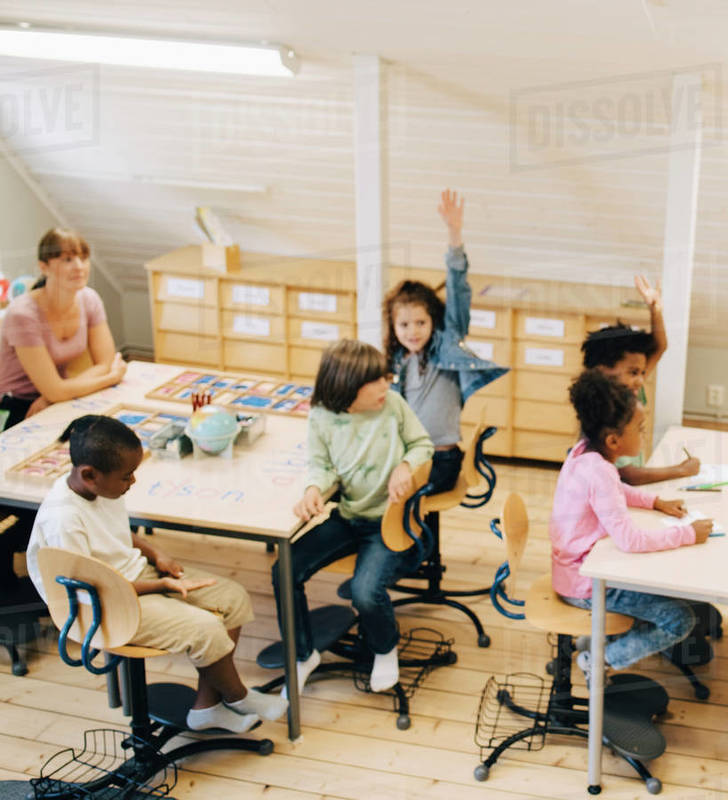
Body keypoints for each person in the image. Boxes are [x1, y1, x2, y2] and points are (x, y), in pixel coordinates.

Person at [25, 415, 286, 732]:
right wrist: (161, 586)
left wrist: (156, 553)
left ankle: (207, 707)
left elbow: (116, 533)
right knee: (205, 628)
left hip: (134, 578)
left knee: (232, 597)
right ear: (89, 475)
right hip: (102, 606)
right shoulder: (63, 519)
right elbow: (92, 588)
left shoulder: (102, 489)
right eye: (127, 476)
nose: (132, 481)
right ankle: (238, 696)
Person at [275, 339, 434, 696]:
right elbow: (320, 465)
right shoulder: (321, 416)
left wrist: (405, 466)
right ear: (347, 387)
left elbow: (422, 445)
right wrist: (313, 490)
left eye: (384, 377)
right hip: (348, 516)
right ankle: (303, 655)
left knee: (365, 592)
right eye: (374, 381)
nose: (385, 385)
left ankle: (385, 648)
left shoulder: (392, 405)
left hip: (388, 522)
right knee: (285, 569)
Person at [551, 369, 712, 679]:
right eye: (639, 428)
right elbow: (630, 540)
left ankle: (600, 640)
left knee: (657, 586)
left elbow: (614, 490)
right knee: (680, 620)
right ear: (613, 440)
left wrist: (654, 502)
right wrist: (688, 534)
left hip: (572, 572)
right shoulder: (600, 471)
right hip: (585, 585)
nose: (644, 432)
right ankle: (600, 661)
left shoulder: (583, 453)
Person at [382, 190, 507, 495]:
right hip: (407, 458)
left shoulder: (446, 344)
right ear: (393, 327)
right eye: (404, 325)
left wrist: (454, 234)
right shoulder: (396, 362)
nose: (413, 332)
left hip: (442, 460)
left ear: (434, 322)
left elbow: (457, 286)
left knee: (396, 497)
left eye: (421, 323)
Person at [0, 229, 126, 430]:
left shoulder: (89, 299)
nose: (79, 267)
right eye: (67, 259)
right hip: (18, 405)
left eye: (83, 258)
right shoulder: (23, 315)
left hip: (59, 396)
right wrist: (111, 378)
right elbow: (106, 371)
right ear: (44, 267)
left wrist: (53, 396)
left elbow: (106, 362)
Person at [581, 279, 700, 485]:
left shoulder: (629, 390)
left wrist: (656, 310)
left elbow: (660, 346)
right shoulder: (602, 410)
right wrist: (681, 470)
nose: (640, 380)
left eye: (642, 372)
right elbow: (628, 475)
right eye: (633, 372)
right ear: (602, 371)